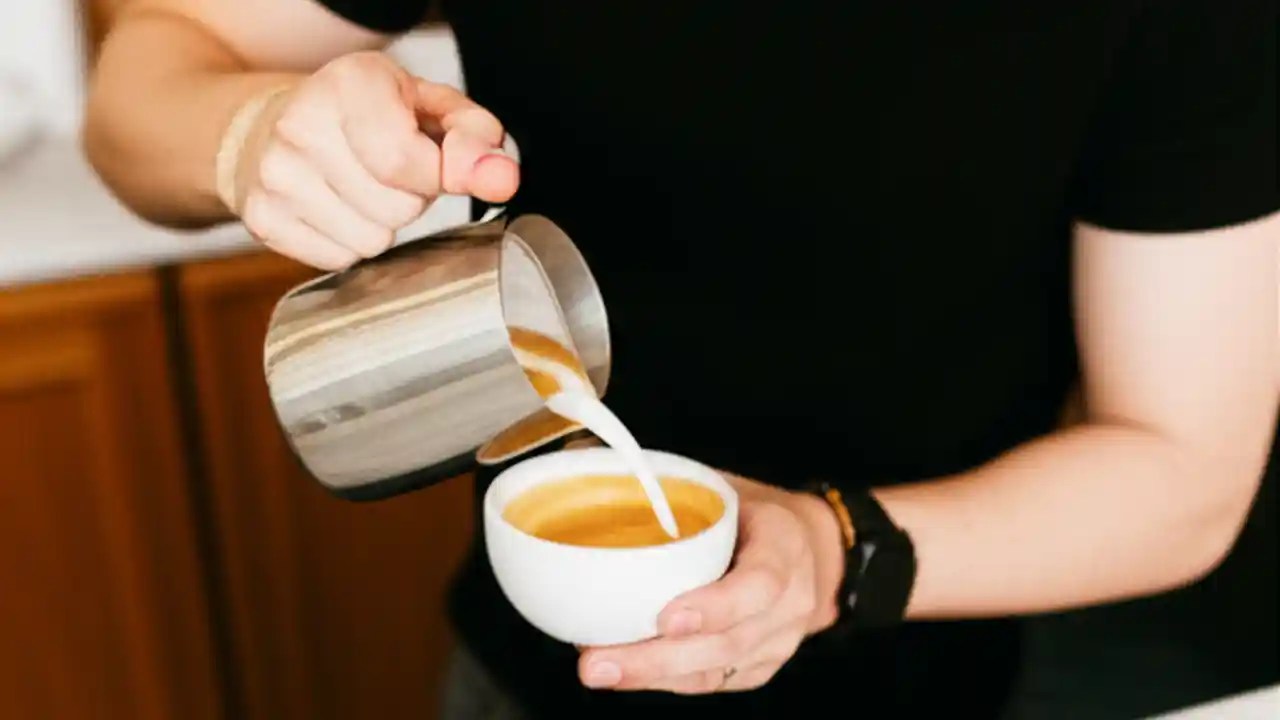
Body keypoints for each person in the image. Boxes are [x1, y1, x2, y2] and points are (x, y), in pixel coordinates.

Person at [84, 1, 1278, 717]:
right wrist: (250, 136)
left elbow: (1180, 471)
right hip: (522, 674)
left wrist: (832, 550)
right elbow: (143, 77)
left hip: (933, 662)